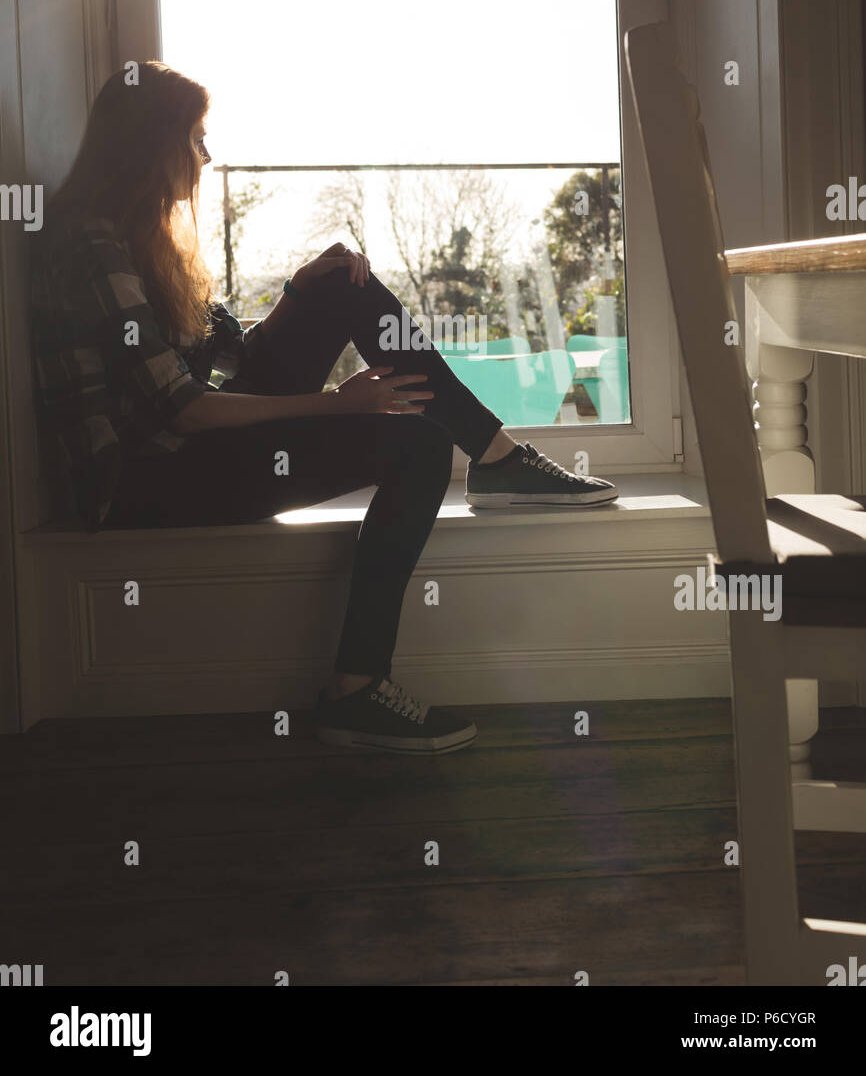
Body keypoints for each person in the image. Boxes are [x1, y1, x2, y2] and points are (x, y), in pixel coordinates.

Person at [31, 62, 618, 754]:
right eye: (194, 140)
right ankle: (358, 688)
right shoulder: (92, 247)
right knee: (421, 446)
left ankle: (494, 458)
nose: (206, 156)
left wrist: (295, 291)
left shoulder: (140, 237)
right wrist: (336, 404)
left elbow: (235, 359)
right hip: (143, 481)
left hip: (189, 446)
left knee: (343, 282)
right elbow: (184, 410)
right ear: (150, 146)